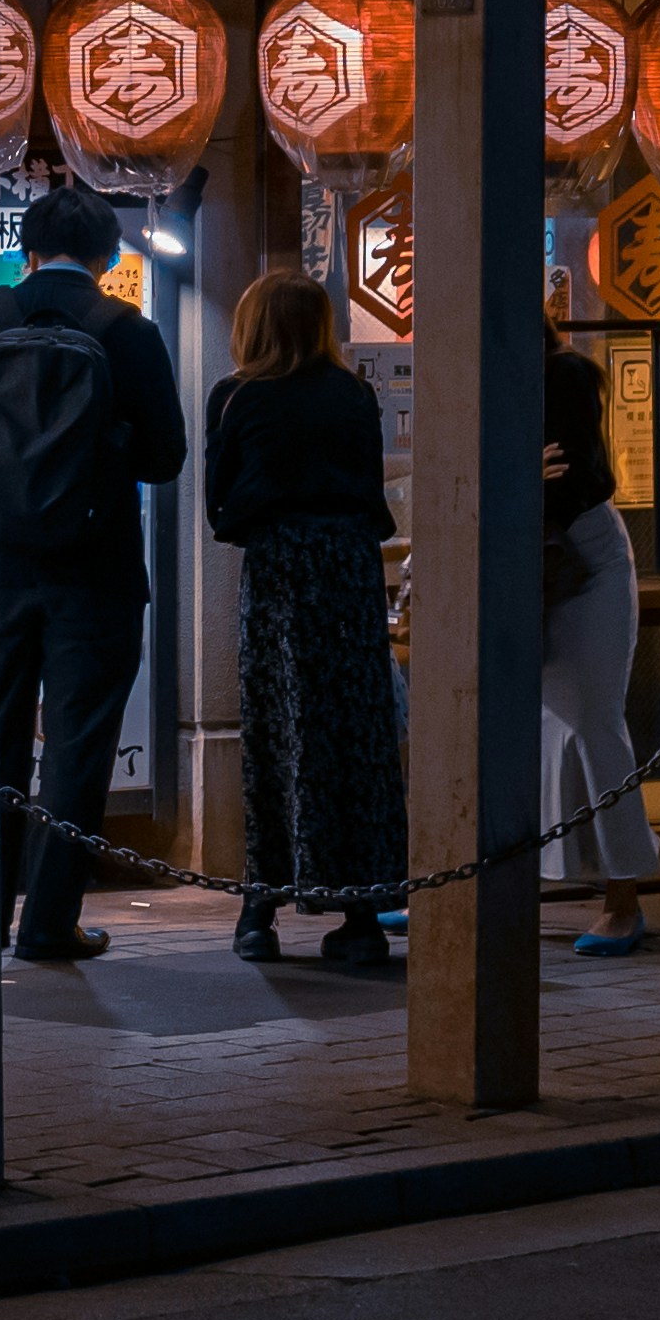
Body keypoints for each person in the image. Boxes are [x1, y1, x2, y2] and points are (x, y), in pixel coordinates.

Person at [0, 185, 188, 964]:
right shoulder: (126, 330)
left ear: (25, 252)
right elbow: (164, 459)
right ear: (108, 258)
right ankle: (48, 924)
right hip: (95, 571)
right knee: (79, 744)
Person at [205, 269, 404, 972]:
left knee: (278, 729)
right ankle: (362, 913)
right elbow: (372, 488)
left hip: (279, 569)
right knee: (356, 734)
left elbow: (221, 507)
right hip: (349, 569)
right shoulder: (354, 394)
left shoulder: (236, 397)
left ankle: (259, 912)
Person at [544, 338, 657, 953]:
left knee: (592, 721)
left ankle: (623, 896)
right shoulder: (469, 369)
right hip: (523, 555)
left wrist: (497, 470)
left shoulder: (562, 374)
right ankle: (468, 884)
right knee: (522, 726)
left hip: (583, 560)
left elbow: (573, 477)